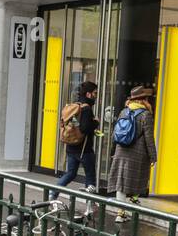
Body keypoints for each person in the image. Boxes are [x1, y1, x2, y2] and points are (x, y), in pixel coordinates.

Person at [107, 85, 157, 220]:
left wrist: (113, 150)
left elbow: (114, 133)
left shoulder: (124, 111)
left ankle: (120, 213)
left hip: (121, 150)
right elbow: (149, 138)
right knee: (137, 179)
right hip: (137, 153)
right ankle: (133, 200)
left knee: (120, 181)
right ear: (144, 99)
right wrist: (153, 156)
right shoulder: (146, 114)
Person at [54, 81, 99, 194]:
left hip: (71, 147)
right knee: (90, 176)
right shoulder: (86, 109)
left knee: (70, 173)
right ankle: (90, 205)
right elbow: (84, 128)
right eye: (95, 93)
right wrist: (95, 123)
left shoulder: (74, 106)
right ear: (88, 94)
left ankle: (52, 194)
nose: (96, 96)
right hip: (84, 149)